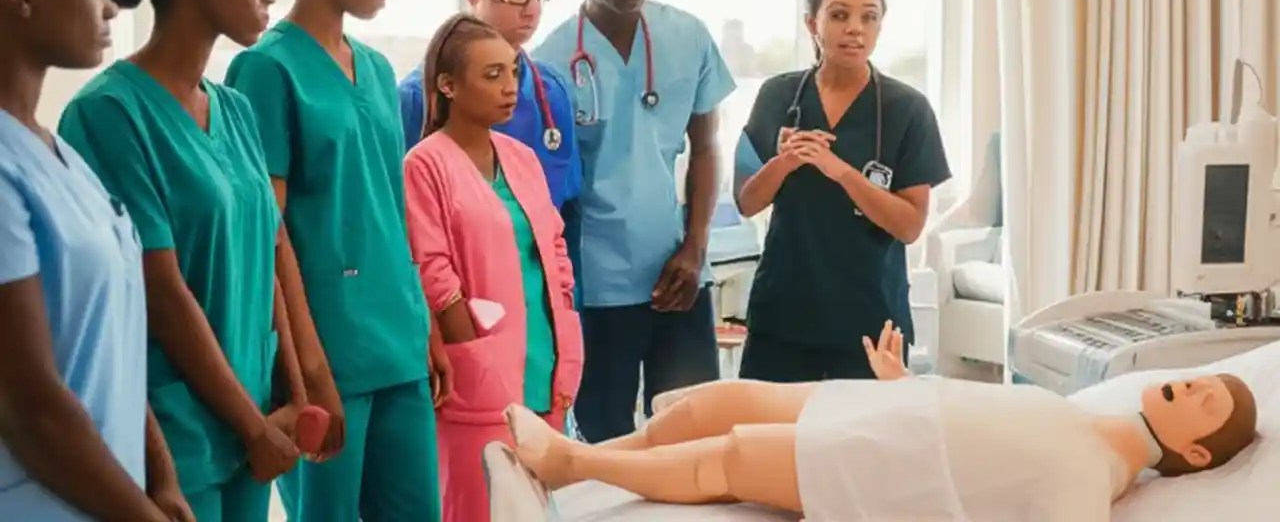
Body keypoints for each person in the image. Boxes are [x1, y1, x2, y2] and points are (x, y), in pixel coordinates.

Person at [56, 0, 306, 521]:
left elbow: (266, 251)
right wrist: (249, 425)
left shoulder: (236, 109)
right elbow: (160, 291)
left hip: (258, 418)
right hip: (179, 430)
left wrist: (293, 394)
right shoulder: (109, 113)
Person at [499, 322, 1259, 521]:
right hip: (890, 406)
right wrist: (900, 380)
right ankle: (577, 452)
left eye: (1207, 399)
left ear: (1192, 450)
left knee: (729, 454)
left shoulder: (1092, 488)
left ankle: (576, 467)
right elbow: (979, 409)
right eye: (1199, 378)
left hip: (886, 460)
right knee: (712, 403)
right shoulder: (1073, 415)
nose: (1191, 383)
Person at [224, 0, 443, 521]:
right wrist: (304, 371)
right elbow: (268, 233)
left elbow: (389, 205)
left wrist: (424, 320)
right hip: (327, 347)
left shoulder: (376, 69)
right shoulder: (267, 70)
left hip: (397, 334)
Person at [0, 0, 192, 522]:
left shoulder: (59, 156)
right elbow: (29, 408)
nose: (110, 4)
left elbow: (112, 338)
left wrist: (160, 481)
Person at [533, 0, 736, 443]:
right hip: (597, 279)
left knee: (692, 431)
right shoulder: (549, 60)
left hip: (679, 267)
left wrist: (695, 247)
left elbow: (707, 145)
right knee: (606, 438)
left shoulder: (687, 34)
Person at [403, 13, 584, 522]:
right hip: (478, 376)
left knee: (537, 508)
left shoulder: (521, 157)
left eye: (511, 73)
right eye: (491, 76)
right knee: (477, 506)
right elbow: (431, 271)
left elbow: (554, 245)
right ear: (447, 85)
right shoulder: (425, 164)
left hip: (544, 366)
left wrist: (565, 321)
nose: (509, 88)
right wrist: (471, 353)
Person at [733, 0, 950, 381]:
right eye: (839, 15)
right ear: (812, 23)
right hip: (784, 316)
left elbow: (909, 225)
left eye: (869, 17)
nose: (855, 28)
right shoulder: (778, 95)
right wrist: (785, 162)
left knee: (865, 444)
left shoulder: (907, 110)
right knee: (772, 442)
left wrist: (842, 173)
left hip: (871, 323)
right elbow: (746, 201)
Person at [398, 0, 584, 305]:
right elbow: (406, 232)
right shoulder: (418, 99)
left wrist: (568, 309)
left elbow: (567, 215)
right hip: (462, 303)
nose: (531, 6)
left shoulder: (552, 92)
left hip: (542, 298)